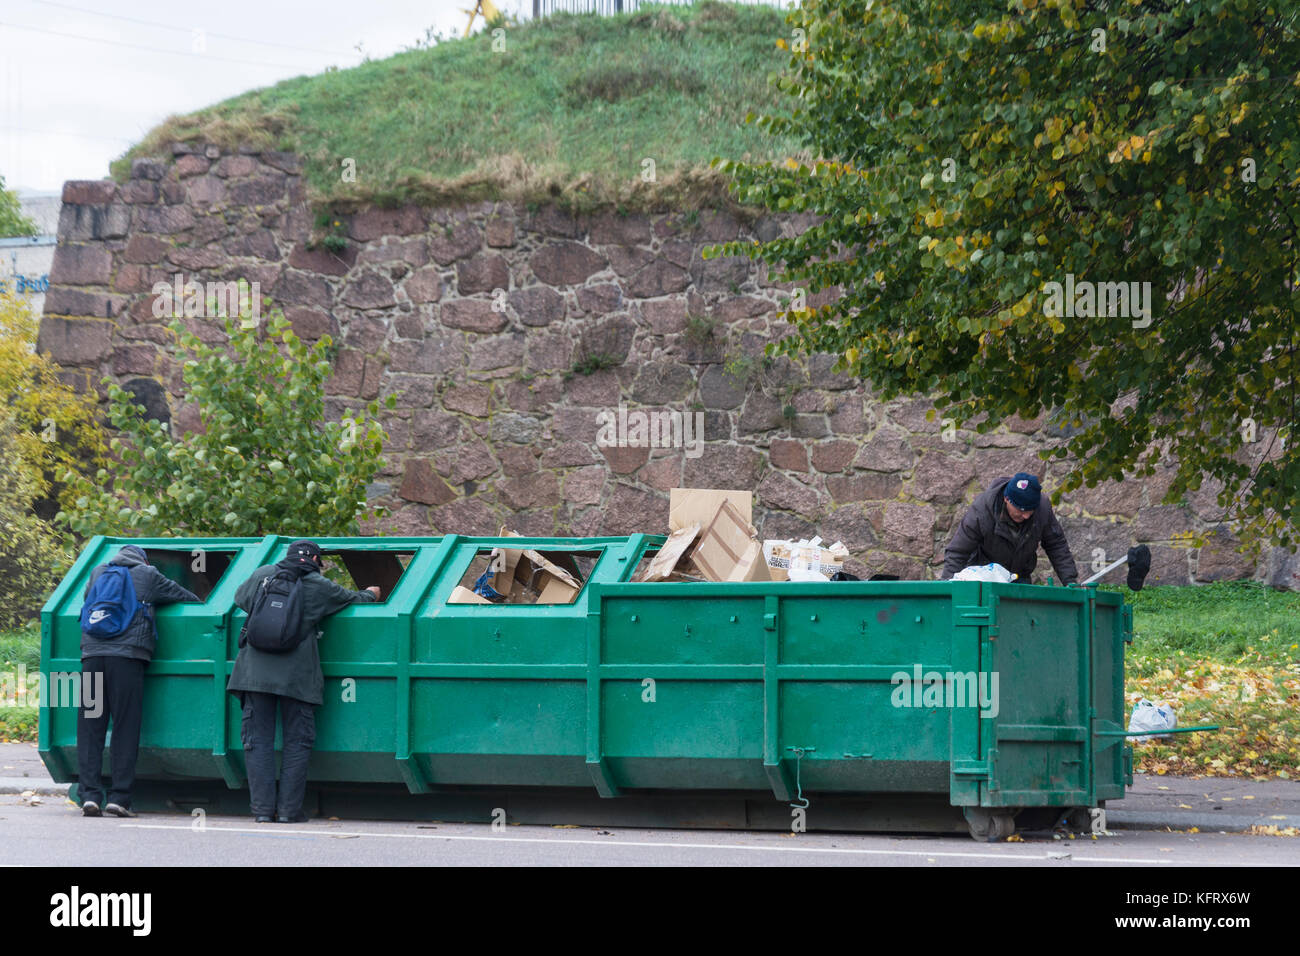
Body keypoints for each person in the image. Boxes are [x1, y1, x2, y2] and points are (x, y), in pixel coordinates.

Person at [228, 540, 379, 824]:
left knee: (257, 742)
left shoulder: (264, 574)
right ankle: (288, 811)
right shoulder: (319, 586)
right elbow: (354, 599)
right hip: (296, 678)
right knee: (297, 742)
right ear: (315, 561)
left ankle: (262, 811)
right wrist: (371, 593)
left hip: (254, 674)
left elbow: (239, 598)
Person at [78, 544, 200, 818]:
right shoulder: (148, 574)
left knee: (90, 727)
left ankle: (89, 795)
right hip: (127, 658)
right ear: (142, 559)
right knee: (124, 726)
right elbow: (187, 597)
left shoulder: (98, 572)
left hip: (92, 655)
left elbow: (88, 601)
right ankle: (119, 798)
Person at [942, 472, 1078, 585]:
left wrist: (1070, 581)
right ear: (1007, 499)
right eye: (1020, 510)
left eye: (1030, 511)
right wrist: (948, 589)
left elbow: (1056, 545)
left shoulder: (1042, 508)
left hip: (1019, 577)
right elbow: (958, 552)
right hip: (983, 578)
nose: (1025, 516)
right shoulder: (981, 511)